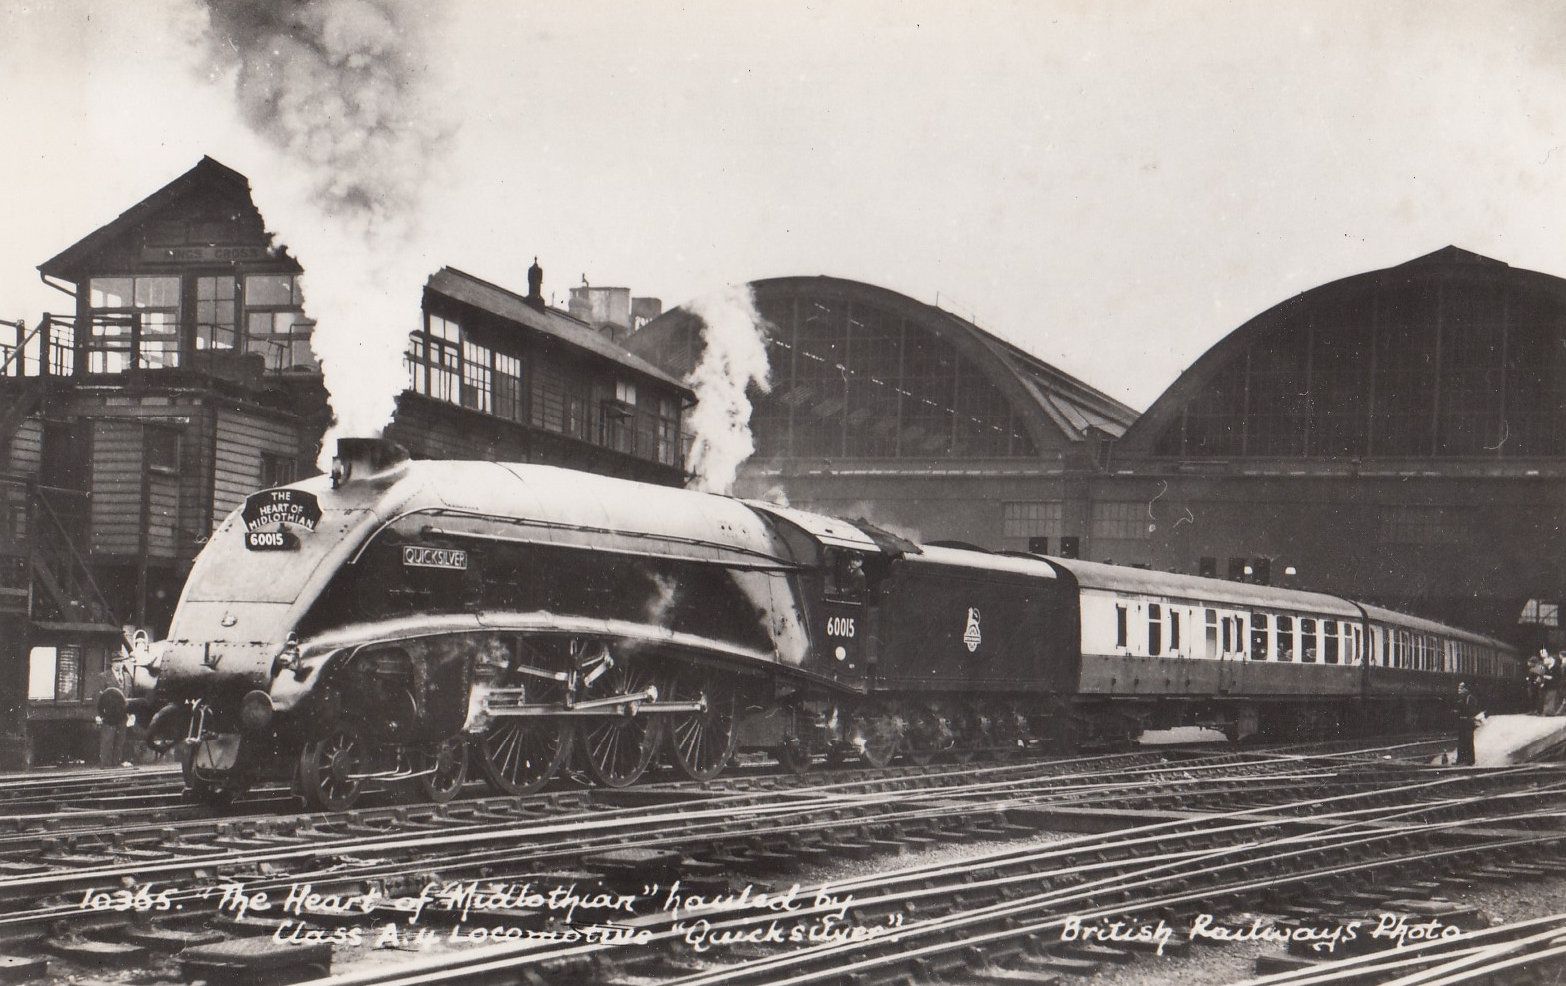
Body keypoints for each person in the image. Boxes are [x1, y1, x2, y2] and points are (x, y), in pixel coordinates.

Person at [1453, 681, 1484, 766]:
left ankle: (1470, 760)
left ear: (1466, 689)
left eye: (1461, 688)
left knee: (1468, 742)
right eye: (1459, 687)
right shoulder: (1461, 698)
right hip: (1462, 722)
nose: (1459, 690)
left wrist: (1461, 712)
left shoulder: (1470, 698)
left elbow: (1472, 711)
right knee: (1461, 742)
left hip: (1468, 722)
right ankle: (1460, 760)